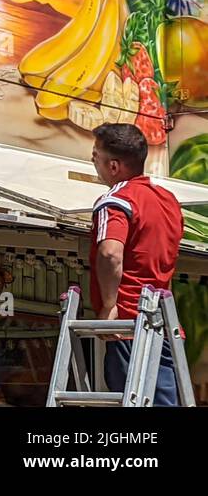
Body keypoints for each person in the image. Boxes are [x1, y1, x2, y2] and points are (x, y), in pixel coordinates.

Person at [89, 122, 183, 405]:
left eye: (96, 155)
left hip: (128, 324)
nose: (92, 161)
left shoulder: (116, 200)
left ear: (114, 166)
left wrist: (109, 305)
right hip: (163, 324)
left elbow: (109, 253)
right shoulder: (169, 201)